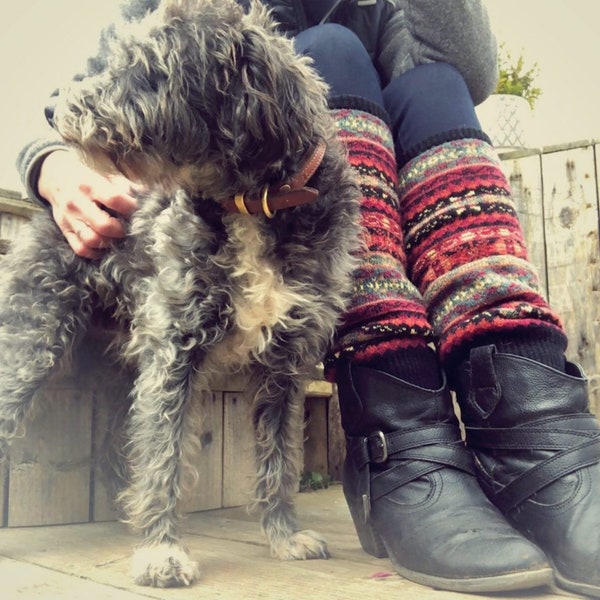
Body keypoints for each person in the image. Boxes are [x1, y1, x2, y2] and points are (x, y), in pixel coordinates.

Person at [16, 1, 600, 596]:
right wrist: (48, 163)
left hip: (327, 191)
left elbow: (471, 74)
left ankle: (532, 432)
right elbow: (84, 94)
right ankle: (404, 443)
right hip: (183, 210)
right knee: (333, 48)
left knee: (437, 82)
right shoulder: (186, 21)